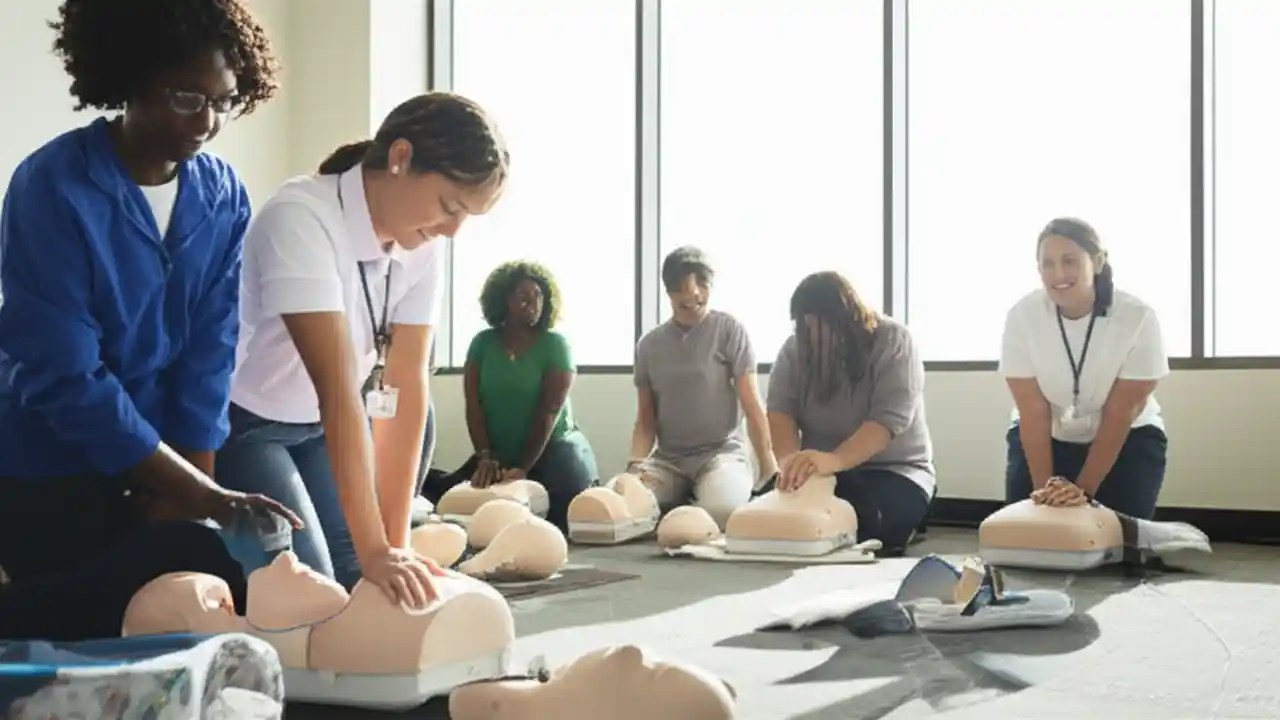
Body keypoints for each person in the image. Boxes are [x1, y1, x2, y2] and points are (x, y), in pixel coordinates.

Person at [0, 0, 299, 641]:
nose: (208, 121)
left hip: (161, 462)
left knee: (188, 602)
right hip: (48, 464)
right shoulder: (52, 185)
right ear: (131, 78)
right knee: (69, 645)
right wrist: (199, 494)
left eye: (224, 101)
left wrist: (190, 494)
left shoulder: (222, 194)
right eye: (187, 97)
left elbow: (209, 355)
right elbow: (62, 374)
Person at [215, 92, 508, 606]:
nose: (452, 230)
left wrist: (394, 545)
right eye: (449, 206)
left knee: (367, 587)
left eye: (466, 217)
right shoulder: (302, 217)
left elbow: (406, 384)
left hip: (321, 429)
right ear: (400, 158)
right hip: (250, 426)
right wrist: (373, 551)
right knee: (320, 599)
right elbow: (336, 389)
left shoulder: (422, 245)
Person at [1000, 217, 1169, 520]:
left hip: (1128, 437)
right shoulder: (1022, 317)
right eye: (1048, 264)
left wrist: (1083, 493)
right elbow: (1032, 411)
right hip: (1047, 436)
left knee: (1112, 535)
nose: (1058, 273)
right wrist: (1046, 494)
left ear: (1098, 261)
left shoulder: (1138, 317)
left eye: (1069, 261)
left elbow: (1121, 412)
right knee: (1028, 530)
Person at [767, 271, 936, 555]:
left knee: (868, 524)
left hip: (893, 469)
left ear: (849, 319)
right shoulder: (795, 349)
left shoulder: (894, 340)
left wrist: (835, 460)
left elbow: (886, 421)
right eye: (806, 326)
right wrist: (789, 463)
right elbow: (780, 411)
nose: (814, 335)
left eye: (822, 326)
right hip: (820, 470)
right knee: (770, 518)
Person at [440, 261, 599, 532]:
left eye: (538, 296)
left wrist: (522, 467)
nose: (533, 303)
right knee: (451, 500)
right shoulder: (483, 343)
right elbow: (474, 406)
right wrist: (485, 457)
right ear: (504, 300)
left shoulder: (556, 346)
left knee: (562, 515)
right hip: (500, 451)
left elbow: (548, 411)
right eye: (523, 296)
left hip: (554, 449)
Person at [628, 247, 777, 528]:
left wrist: (769, 468)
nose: (693, 293)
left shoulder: (730, 330)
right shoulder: (649, 345)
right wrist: (634, 467)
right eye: (682, 288)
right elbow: (646, 420)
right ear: (668, 290)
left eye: (702, 284)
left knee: (722, 510)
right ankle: (677, 503)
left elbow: (752, 404)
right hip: (667, 462)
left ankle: (688, 507)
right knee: (620, 503)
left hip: (722, 456)